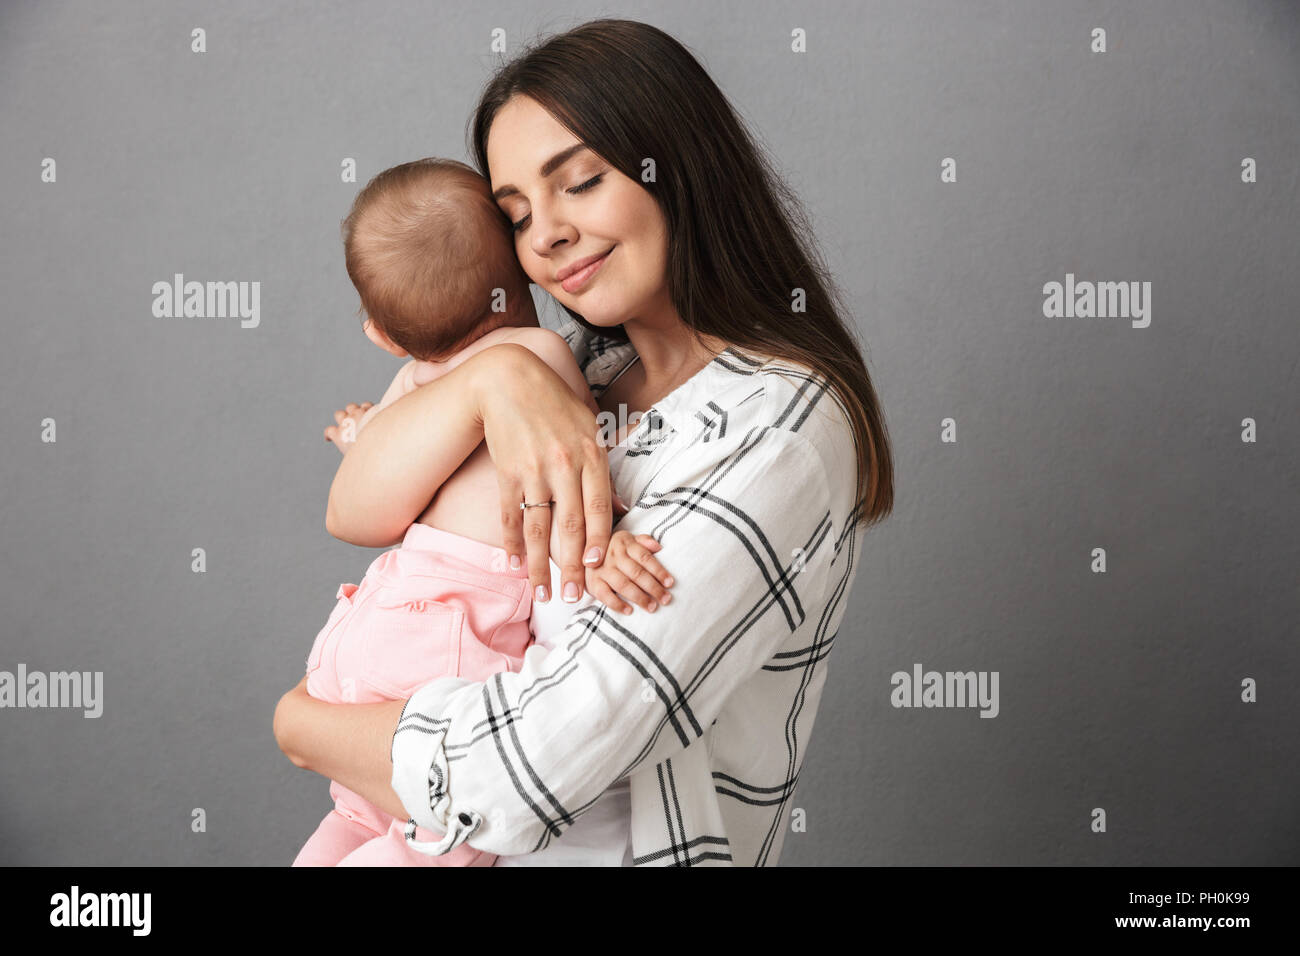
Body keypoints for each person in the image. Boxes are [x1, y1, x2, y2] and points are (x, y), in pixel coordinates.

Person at [274, 17, 894, 867]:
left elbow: (521, 772)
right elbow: (363, 507)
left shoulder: (777, 431)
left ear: (678, 166)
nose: (547, 235)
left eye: (582, 182)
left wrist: (304, 726)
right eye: (517, 215)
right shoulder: (577, 371)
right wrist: (496, 380)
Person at [292, 157, 674, 867]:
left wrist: (359, 438)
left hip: (368, 632)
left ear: (383, 334)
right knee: (435, 844)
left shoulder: (415, 377)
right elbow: (575, 471)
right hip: (452, 642)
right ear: (521, 268)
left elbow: (384, 486)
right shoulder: (537, 356)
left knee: (351, 825)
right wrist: (612, 536)